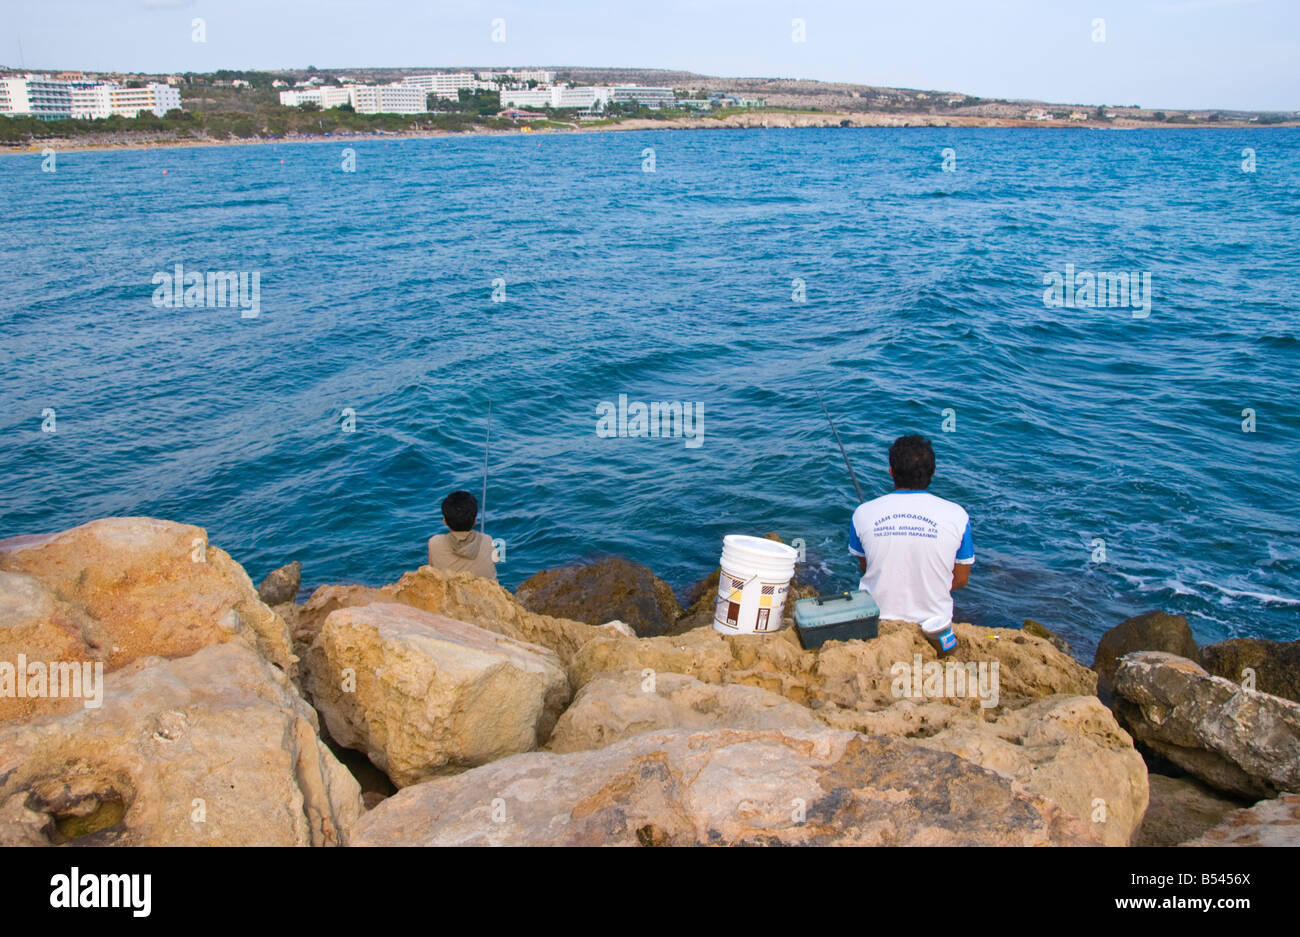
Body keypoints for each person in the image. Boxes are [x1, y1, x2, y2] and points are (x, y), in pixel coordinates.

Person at [848, 434, 973, 656]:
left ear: (891, 471)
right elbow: (962, 578)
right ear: (932, 472)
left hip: (876, 620)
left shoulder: (862, 514)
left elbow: (866, 567)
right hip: (934, 626)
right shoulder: (957, 515)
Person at [427, 490, 498, 583]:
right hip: (488, 594)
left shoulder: (434, 543)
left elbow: (431, 569)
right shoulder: (488, 540)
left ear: (445, 521)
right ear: (474, 522)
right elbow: (495, 560)